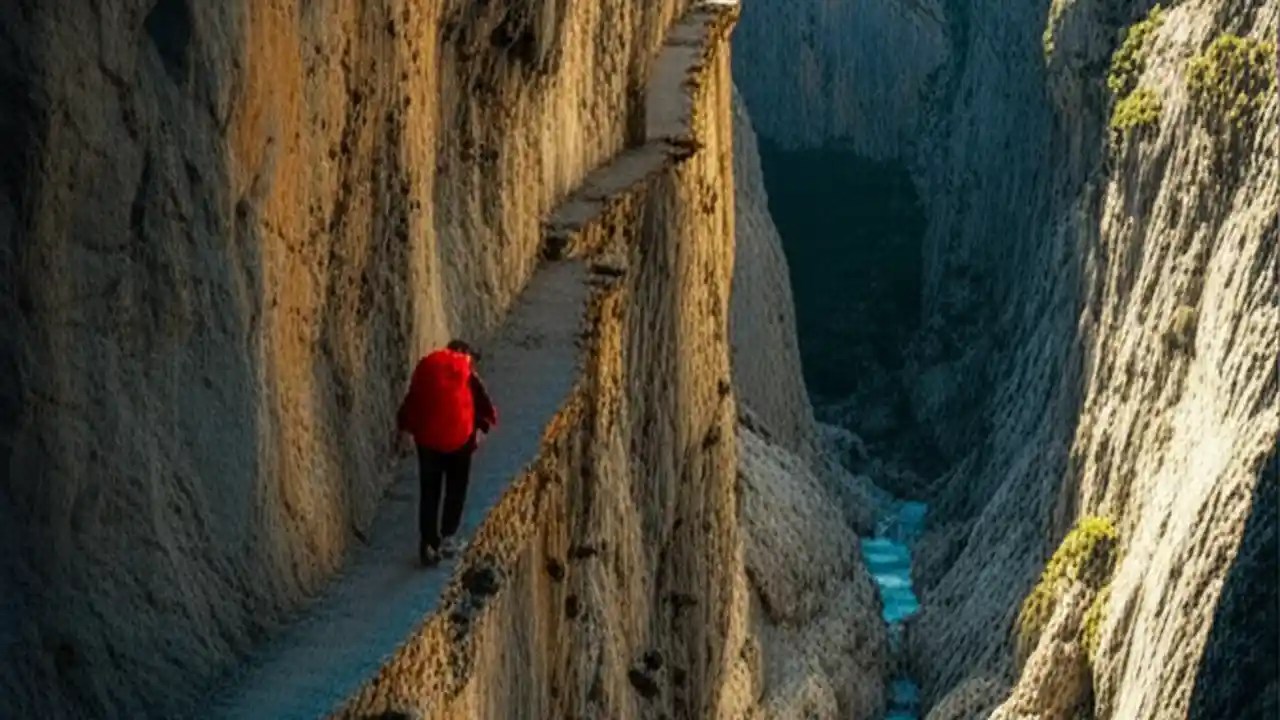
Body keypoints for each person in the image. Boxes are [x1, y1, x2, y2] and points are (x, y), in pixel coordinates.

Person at [397, 339, 497, 567]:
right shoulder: (466, 374)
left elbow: (413, 400)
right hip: (459, 440)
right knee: (456, 486)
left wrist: (405, 425)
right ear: (466, 356)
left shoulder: (429, 369)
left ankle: (428, 541)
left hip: (428, 441)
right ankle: (448, 536)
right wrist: (484, 424)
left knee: (429, 490)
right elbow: (484, 406)